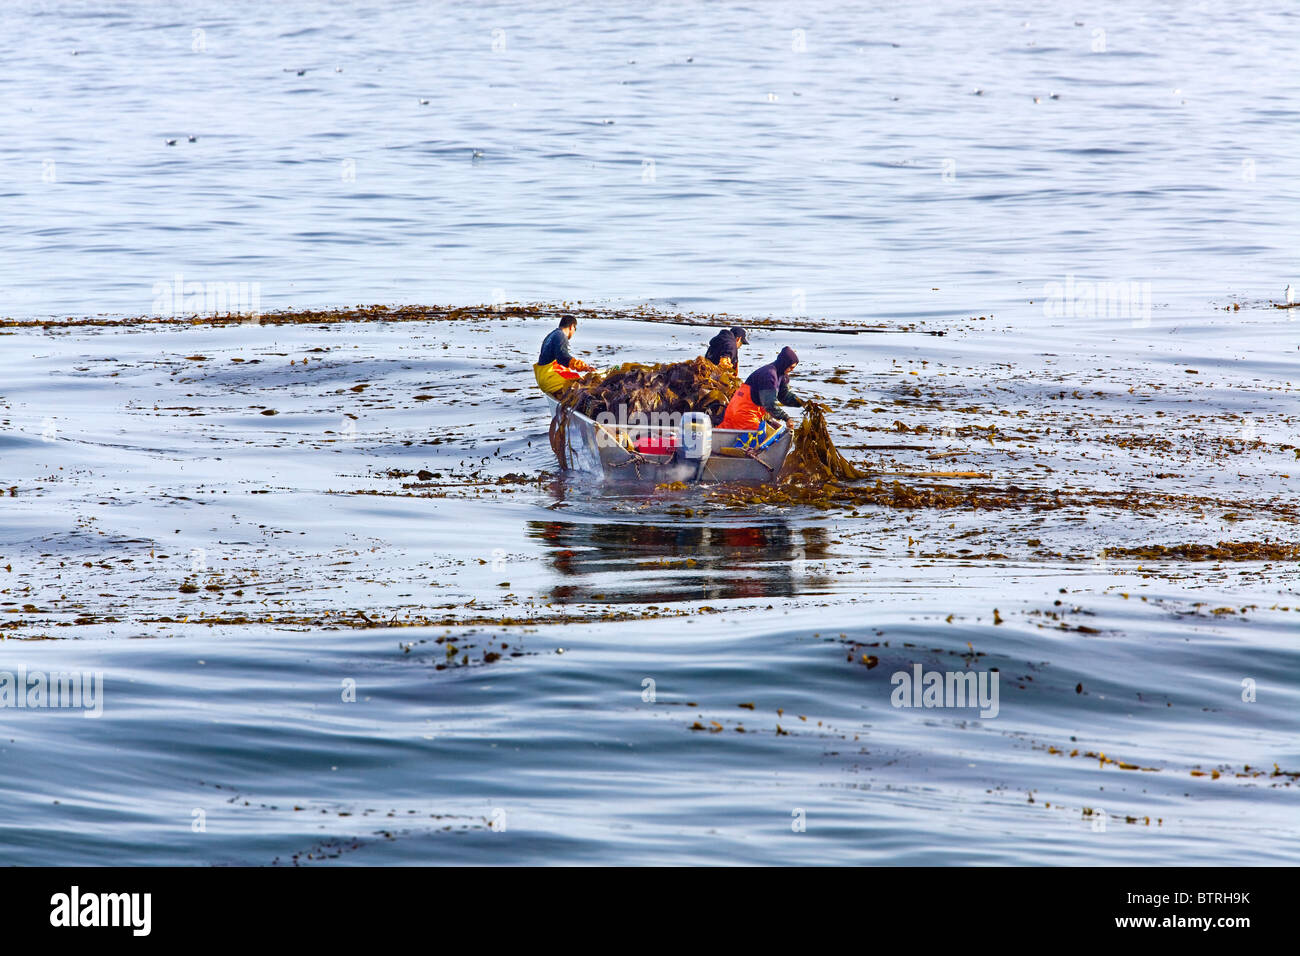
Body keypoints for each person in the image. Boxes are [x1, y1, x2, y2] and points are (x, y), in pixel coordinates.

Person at [719, 346, 802, 433]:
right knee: (759, 436)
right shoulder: (769, 375)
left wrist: (801, 403)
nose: (792, 370)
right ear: (784, 363)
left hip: (737, 409)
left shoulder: (781, 374)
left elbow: (784, 396)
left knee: (727, 431)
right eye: (791, 367)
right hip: (744, 413)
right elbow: (769, 404)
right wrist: (786, 418)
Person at [533, 315, 594, 394]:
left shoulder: (552, 334)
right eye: (575, 329)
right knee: (583, 384)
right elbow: (563, 357)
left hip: (543, 377)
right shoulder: (561, 335)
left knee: (577, 378)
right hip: (550, 378)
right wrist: (584, 367)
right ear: (572, 327)